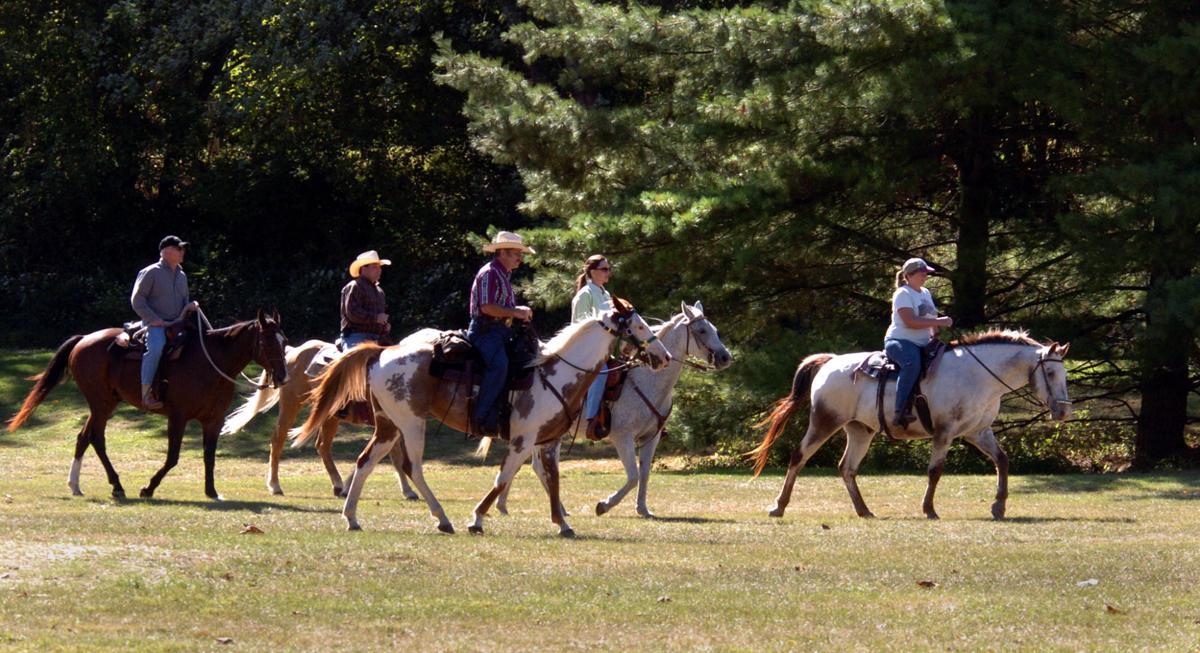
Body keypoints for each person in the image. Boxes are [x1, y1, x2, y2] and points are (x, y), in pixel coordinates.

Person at [467, 231, 535, 436]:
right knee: (499, 366)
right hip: (485, 331)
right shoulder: (489, 273)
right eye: (516, 253)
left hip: (500, 331)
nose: (520, 258)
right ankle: (481, 416)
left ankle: (505, 413)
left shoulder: (504, 274)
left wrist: (518, 312)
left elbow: (500, 307)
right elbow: (487, 307)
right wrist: (516, 312)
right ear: (502, 252)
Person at [130, 235, 198, 410]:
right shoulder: (151, 272)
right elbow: (137, 300)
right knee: (156, 348)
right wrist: (154, 319)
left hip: (178, 323)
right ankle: (145, 395)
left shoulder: (182, 275)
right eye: (179, 249)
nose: (183, 252)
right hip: (155, 325)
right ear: (166, 252)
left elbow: (183, 301)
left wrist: (189, 306)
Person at [884, 257, 953, 427]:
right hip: (900, 341)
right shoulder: (903, 294)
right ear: (909, 275)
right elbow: (910, 321)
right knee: (911, 364)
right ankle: (900, 411)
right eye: (922, 273)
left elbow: (929, 317)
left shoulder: (925, 293)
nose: (925, 277)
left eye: (926, 274)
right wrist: (939, 322)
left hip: (923, 342)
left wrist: (935, 333)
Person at [571, 254, 613, 439]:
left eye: (609, 269)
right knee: (601, 371)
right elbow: (579, 329)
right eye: (604, 269)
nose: (608, 272)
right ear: (593, 272)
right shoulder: (584, 295)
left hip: (605, 349)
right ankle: (592, 419)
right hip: (586, 351)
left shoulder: (605, 293)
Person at [339, 250, 392, 350]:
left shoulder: (380, 291)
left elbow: (380, 317)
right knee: (354, 363)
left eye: (380, 267)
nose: (379, 270)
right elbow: (352, 313)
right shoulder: (355, 286)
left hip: (377, 338)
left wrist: (385, 326)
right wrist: (376, 318)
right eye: (375, 267)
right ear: (363, 269)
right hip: (356, 337)